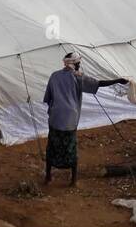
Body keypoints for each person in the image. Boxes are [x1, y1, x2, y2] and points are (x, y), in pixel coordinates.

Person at [41, 52, 128, 186]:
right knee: (70, 148)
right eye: (78, 63)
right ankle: (73, 181)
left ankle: (48, 177)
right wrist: (117, 80)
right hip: (70, 118)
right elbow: (98, 84)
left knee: (52, 146)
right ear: (74, 64)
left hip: (56, 117)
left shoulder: (54, 76)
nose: (79, 65)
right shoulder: (78, 77)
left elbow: (48, 98)